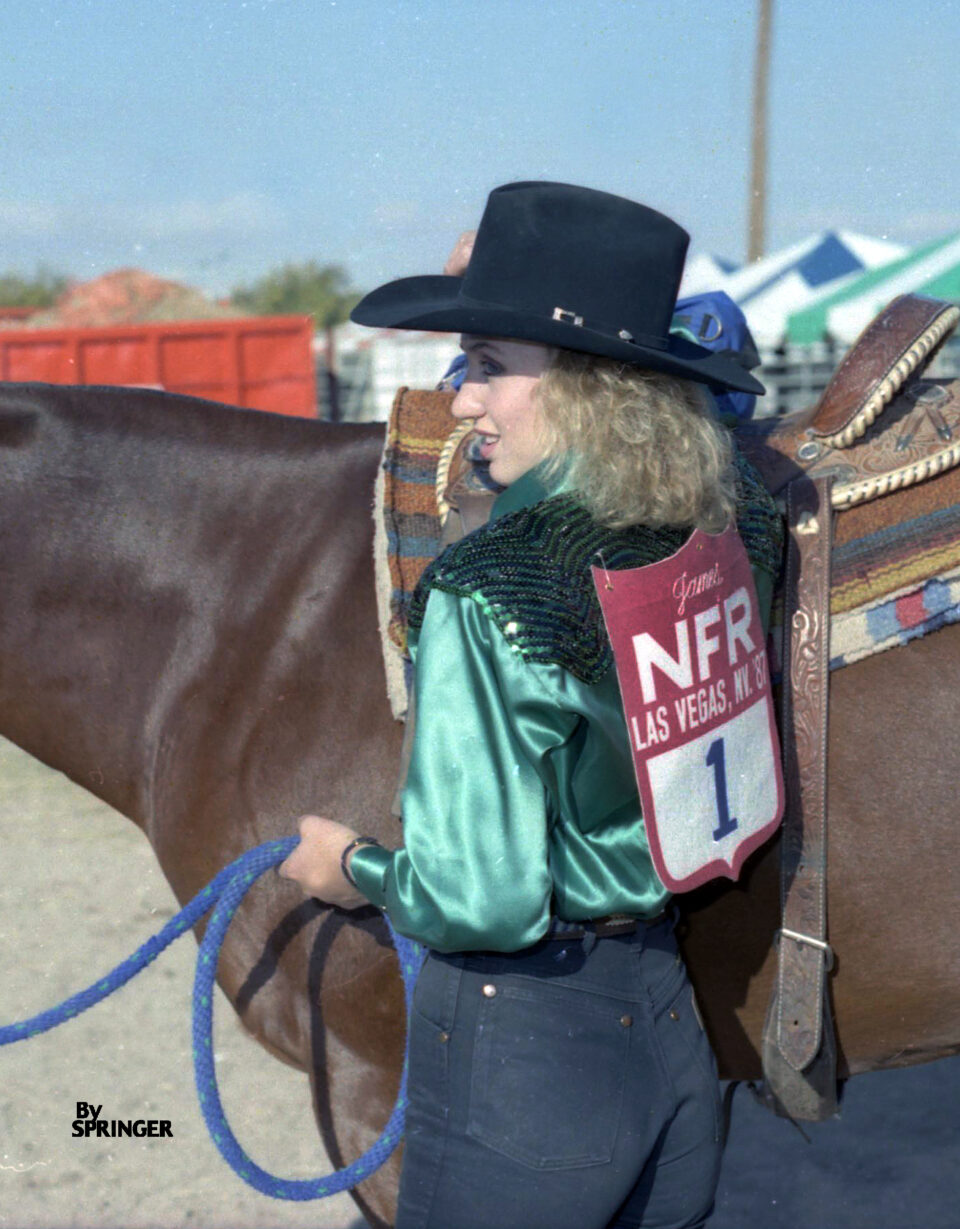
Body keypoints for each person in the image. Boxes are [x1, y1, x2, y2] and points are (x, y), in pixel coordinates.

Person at [278, 181, 782, 1229]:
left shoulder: (490, 587)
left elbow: (478, 897)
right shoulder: (736, 533)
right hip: (670, 1040)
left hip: (529, 1058)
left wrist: (351, 866)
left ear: (596, 388)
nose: (460, 399)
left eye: (490, 367)